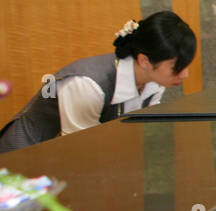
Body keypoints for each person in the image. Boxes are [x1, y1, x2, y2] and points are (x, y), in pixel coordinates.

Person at [0, 11, 195, 153]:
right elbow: (80, 151)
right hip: (23, 155)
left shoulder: (154, 81)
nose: (184, 74)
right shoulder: (87, 83)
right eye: (177, 66)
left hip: (64, 159)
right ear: (144, 60)